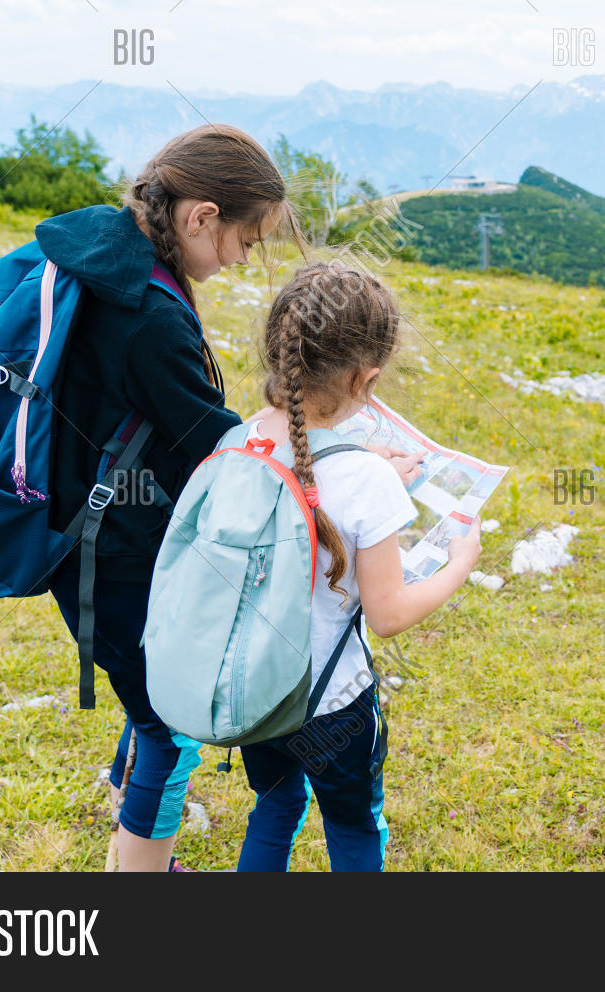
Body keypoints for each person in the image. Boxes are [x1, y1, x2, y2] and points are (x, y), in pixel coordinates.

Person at [43, 124, 293, 871]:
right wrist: (313, 448)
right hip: (111, 552)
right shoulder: (149, 314)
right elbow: (214, 446)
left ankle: (129, 816)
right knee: (169, 723)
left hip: (88, 528)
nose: (246, 259)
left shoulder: (111, 250)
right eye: (247, 240)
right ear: (201, 217)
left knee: (147, 693)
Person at [232, 262, 481, 872]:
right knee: (352, 822)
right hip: (332, 702)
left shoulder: (235, 441)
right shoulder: (365, 479)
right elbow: (388, 614)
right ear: (365, 379)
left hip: (256, 689)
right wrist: (458, 566)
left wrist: (358, 460)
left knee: (275, 802)